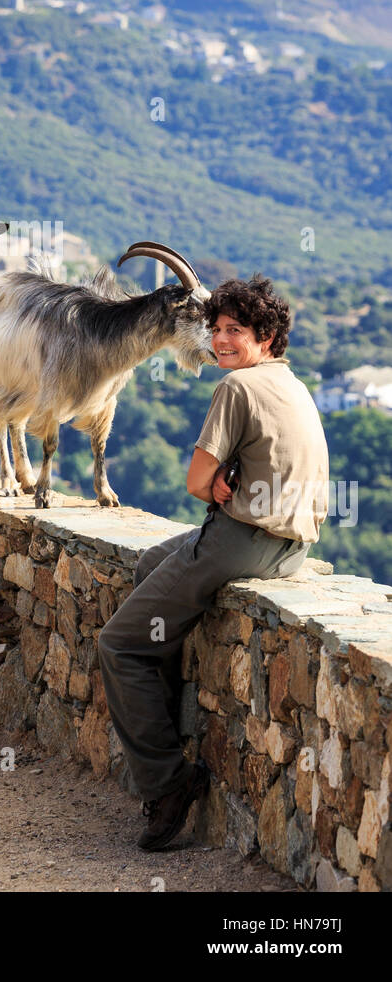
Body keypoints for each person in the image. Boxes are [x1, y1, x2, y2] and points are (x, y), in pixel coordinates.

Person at [97, 274, 329, 851]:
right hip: (290, 549)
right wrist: (227, 483)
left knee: (119, 644)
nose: (221, 341)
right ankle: (167, 718)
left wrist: (218, 484)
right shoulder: (292, 385)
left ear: (267, 336)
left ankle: (169, 782)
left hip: (240, 540)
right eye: (216, 329)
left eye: (236, 331)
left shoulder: (237, 389)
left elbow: (197, 481)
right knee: (151, 563)